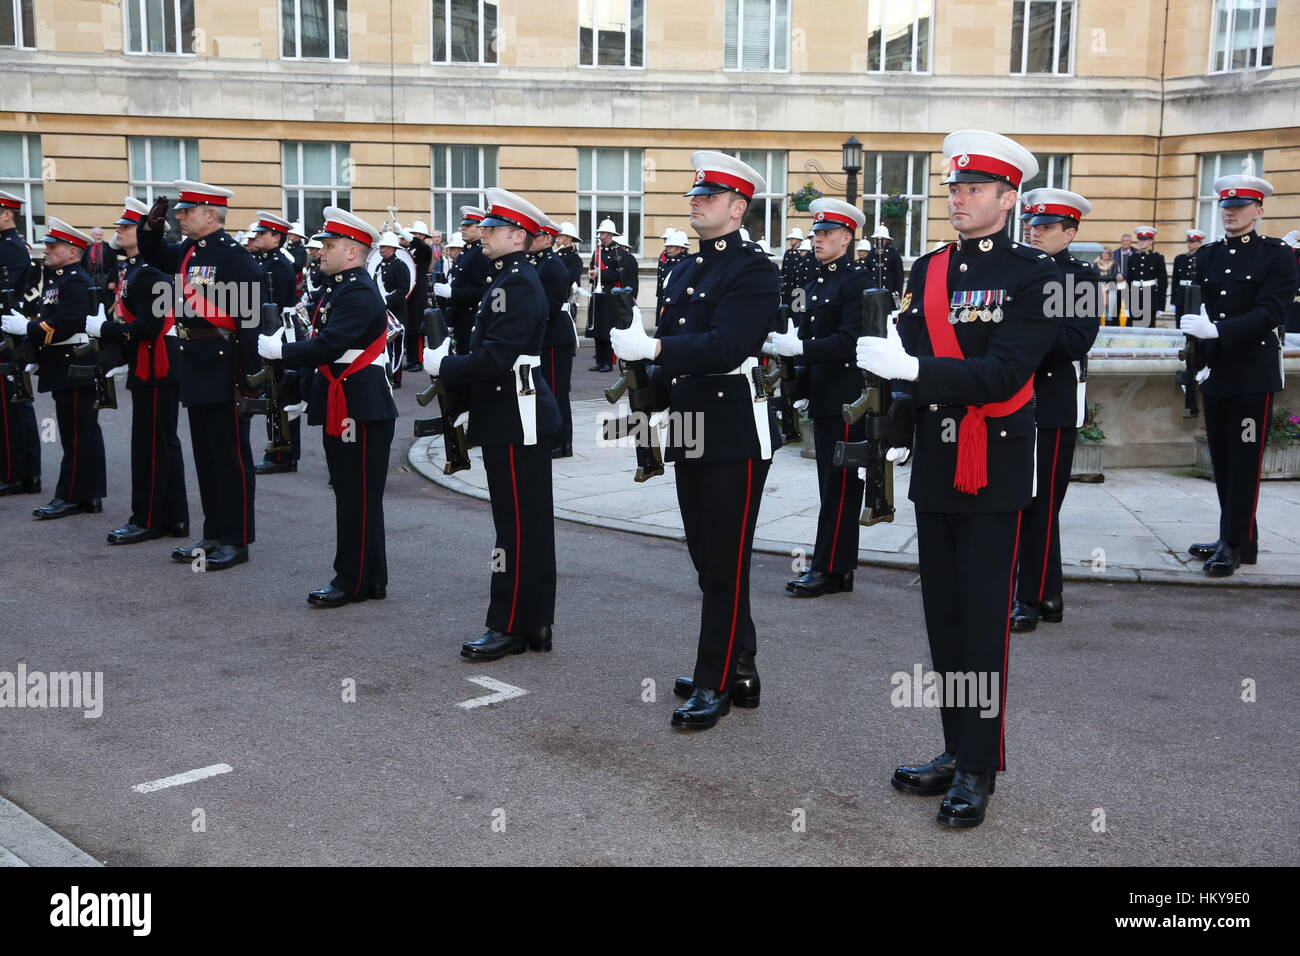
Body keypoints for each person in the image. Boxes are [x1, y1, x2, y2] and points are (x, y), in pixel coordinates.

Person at [855, 130, 1058, 828]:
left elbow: (1005, 372)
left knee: (981, 622)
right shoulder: (932, 265)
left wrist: (912, 369)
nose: (959, 198)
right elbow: (912, 355)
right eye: (954, 188)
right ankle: (952, 745)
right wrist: (893, 413)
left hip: (994, 458)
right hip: (940, 460)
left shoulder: (1039, 276)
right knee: (943, 617)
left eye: (973, 189)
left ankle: (980, 763)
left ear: (1007, 198)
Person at [611, 151, 782, 731]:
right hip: (689, 424)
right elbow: (673, 354)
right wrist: (646, 389)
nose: (696, 201)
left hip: (733, 427)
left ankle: (715, 681)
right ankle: (741, 666)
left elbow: (728, 346)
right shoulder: (682, 268)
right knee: (707, 556)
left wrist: (656, 351)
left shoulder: (754, 270)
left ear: (738, 209)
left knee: (726, 559)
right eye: (695, 194)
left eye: (709, 196)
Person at [425, 188, 561, 659]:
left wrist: (445, 367)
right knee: (523, 524)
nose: (482, 233)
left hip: (517, 414)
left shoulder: (518, 282)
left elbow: (497, 357)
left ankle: (512, 624)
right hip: (508, 410)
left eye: (492, 227)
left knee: (518, 527)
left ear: (518, 234)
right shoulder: (508, 278)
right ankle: (532, 622)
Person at [256, 208, 396, 606]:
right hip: (348, 399)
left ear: (352, 251)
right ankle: (370, 579)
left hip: (361, 405)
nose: (321, 253)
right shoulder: (342, 286)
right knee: (356, 496)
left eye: (329, 246)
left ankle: (350, 581)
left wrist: (282, 351)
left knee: (357, 497)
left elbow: (330, 344)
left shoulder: (357, 291)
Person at [135, 180, 262, 571]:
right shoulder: (191, 250)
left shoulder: (235, 257)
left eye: (186, 212)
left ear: (211, 214)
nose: (179, 217)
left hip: (224, 363)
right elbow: (156, 255)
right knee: (205, 455)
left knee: (230, 457)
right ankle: (213, 532)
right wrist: (150, 228)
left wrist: (247, 375)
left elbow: (249, 320)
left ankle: (236, 538)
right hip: (196, 360)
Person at [1181, 175, 1298, 576]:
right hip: (1218, 373)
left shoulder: (1276, 255)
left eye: (1241, 206)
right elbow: (1201, 311)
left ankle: (1232, 542)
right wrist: (1199, 361)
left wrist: (1219, 332)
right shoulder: (1209, 255)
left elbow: (1270, 313)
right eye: (1226, 206)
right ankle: (1239, 540)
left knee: (1245, 462)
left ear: (1259, 210)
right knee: (1224, 460)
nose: (1231, 212)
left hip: (1252, 374)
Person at [767, 198, 870, 598]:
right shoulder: (815, 283)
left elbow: (849, 341)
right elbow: (807, 337)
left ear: (846, 237)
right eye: (816, 233)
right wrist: (799, 386)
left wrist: (801, 352)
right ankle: (837, 567)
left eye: (826, 233)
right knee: (831, 483)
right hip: (826, 396)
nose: (817, 240)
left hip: (848, 398)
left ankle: (831, 567)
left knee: (842, 485)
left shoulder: (858, 282)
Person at [1010, 188, 1101, 631]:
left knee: (1041, 504)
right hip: (1012, 401)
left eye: (1046, 227)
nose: (1035, 232)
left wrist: (1020, 345)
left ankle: (1028, 598)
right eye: (1032, 225)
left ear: (1070, 232)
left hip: (1051, 402)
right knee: (1020, 501)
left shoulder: (1078, 278)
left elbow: (1076, 341)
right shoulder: (1019, 271)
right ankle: (1048, 594)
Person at [86, 196, 189, 544]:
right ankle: (173, 517)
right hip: (150, 360)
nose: (120, 231)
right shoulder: (135, 268)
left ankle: (149, 519)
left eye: (127, 227)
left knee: (152, 444)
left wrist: (108, 331)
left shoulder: (151, 270)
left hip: (156, 360)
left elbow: (149, 325)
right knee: (160, 442)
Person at [1, 218, 108, 520]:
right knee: (77, 432)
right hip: (61, 362)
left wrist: (29, 328)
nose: (46, 250)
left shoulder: (74, 280)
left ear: (73, 251)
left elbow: (66, 323)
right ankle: (85, 494)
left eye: (53, 245)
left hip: (74, 363)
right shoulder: (60, 277)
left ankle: (73, 495)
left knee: (79, 433)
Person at [246, 211, 301, 476]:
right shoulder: (264, 261)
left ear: (276, 237)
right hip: (270, 334)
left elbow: (271, 308)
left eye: (262, 234)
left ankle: (282, 453)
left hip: (277, 334)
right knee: (274, 394)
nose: (256, 238)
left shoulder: (278, 266)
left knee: (280, 394)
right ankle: (278, 449)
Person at [0, 188, 42, 497]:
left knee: (11, 407)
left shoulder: (11, 247)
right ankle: (24, 473)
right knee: (14, 405)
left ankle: (16, 473)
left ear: (7, 214)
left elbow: (8, 293)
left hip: (8, 335)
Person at [529, 215, 577, 459]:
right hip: (547, 339)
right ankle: (553, 438)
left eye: (535, 236)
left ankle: (562, 443)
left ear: (547, 238)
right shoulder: (540, 262)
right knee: (547, 391)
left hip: (556, 340)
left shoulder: (553, 265)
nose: (531, 240)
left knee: (557, 393)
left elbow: (551, 304)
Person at [435, 206, 491, 356]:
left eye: (468, 225)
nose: (463, 228)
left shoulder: (480, 254)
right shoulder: (466, 252)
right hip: (460, 319)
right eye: (463, 225)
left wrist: (453, 292)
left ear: (480, 228)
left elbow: (483, 291)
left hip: (471, 320)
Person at [586, 218, 630, 372]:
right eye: (600, 232)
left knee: (607, 330)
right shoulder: (597, 250)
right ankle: (599, 360)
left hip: (610, 296)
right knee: (597, 329)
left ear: (611, 234)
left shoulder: (617, 251)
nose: (601, 235)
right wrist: (592, 274)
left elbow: (619, 275)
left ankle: (607, 362)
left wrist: (601, 273)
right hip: (597, 294)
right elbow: (592, 266)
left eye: (603, 232)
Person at [1123, 225, 1166, 326]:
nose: (1141, 242)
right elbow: (1128, 282)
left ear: (1151, 241)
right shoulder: (1132, 258)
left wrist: (1160, 306)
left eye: (1145, 239)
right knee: (1131, 328)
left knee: (1149, 329)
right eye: (1140, 239)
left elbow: (1162, 282)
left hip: (1150, 297)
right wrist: (1127, 305)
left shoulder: (1157, 258)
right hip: (1135, 297)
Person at [81, 226, 118, 310]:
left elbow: (114, 264)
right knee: (91, 300)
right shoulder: (86, 248)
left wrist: (113, 281)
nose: (99, 237)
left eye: (101, 235)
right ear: (92, 235)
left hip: (105, 277)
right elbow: (82, 264)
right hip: (89, 277)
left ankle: (106, 320)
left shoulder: (109, 247)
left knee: (105, 303)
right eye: (97, 235)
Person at [1171, 229, 1205, 316]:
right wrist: (1173, 301)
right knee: (1179, 323)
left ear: (1200, 242)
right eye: (1189, 242)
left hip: (1196, 295)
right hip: (1181, 294)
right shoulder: (1180, 258)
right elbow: (1175, 281)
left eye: (1193, 242)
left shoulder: (1204, 258)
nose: (1190, 244)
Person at [863, 224, 904, 296]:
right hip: (873, 293)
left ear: (886, 240)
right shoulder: (871, 253)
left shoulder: (893, 254)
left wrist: (898, 293)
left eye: (882, 239)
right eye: (877, 239)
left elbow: (899, 276)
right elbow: (866, 274)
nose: (879, 242)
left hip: (889, 292)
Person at [1094, 248, 1119, 324]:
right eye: (1103, 253)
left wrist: (1101, 277)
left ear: (1110, 255)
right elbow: (1095, 276)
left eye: (1107, 253)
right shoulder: (1096, 264)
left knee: (1109, 309)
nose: (1104, 254)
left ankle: (1108, 324)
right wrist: (1107, 276)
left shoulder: (1114, 264)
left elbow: (1113, 276)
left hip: (1110, 288)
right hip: (1099, 288)